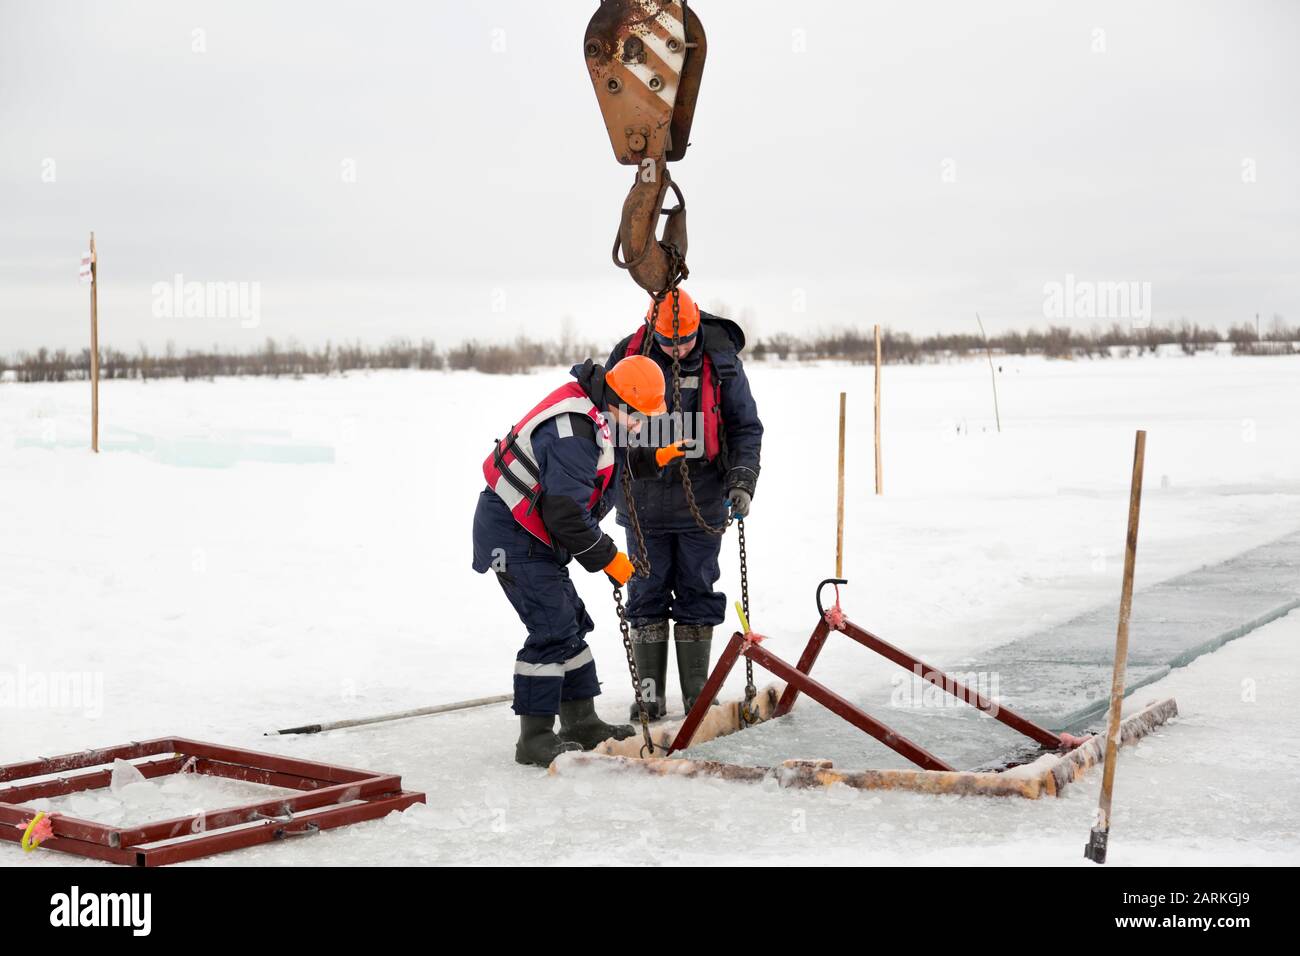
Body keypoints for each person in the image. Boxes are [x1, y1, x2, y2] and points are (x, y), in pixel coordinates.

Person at [472, 355, 688, 766]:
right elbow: (565, 512)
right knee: (551, 626)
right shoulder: (573, 432)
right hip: (511, 534)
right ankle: (534, 737)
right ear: (620, 404)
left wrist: (652, 459)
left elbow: (613, 459)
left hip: (535, 532)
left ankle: (581, 721)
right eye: (640, 418)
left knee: (570, 620)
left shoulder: (602, 413)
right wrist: (609, 559)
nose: (643, 426)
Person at [606, 288, 763, 718]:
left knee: (697, 589)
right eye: (669, 341)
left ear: (699, 329)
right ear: (652, 331)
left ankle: (697, 696)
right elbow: (606, 424)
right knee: (645, 592)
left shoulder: (721, 361)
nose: (677, 348)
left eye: (685, 340)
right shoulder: (628, 355)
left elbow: (746, 427)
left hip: (704, 497)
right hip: (642, 499)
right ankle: (650, 697)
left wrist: (743, 481)